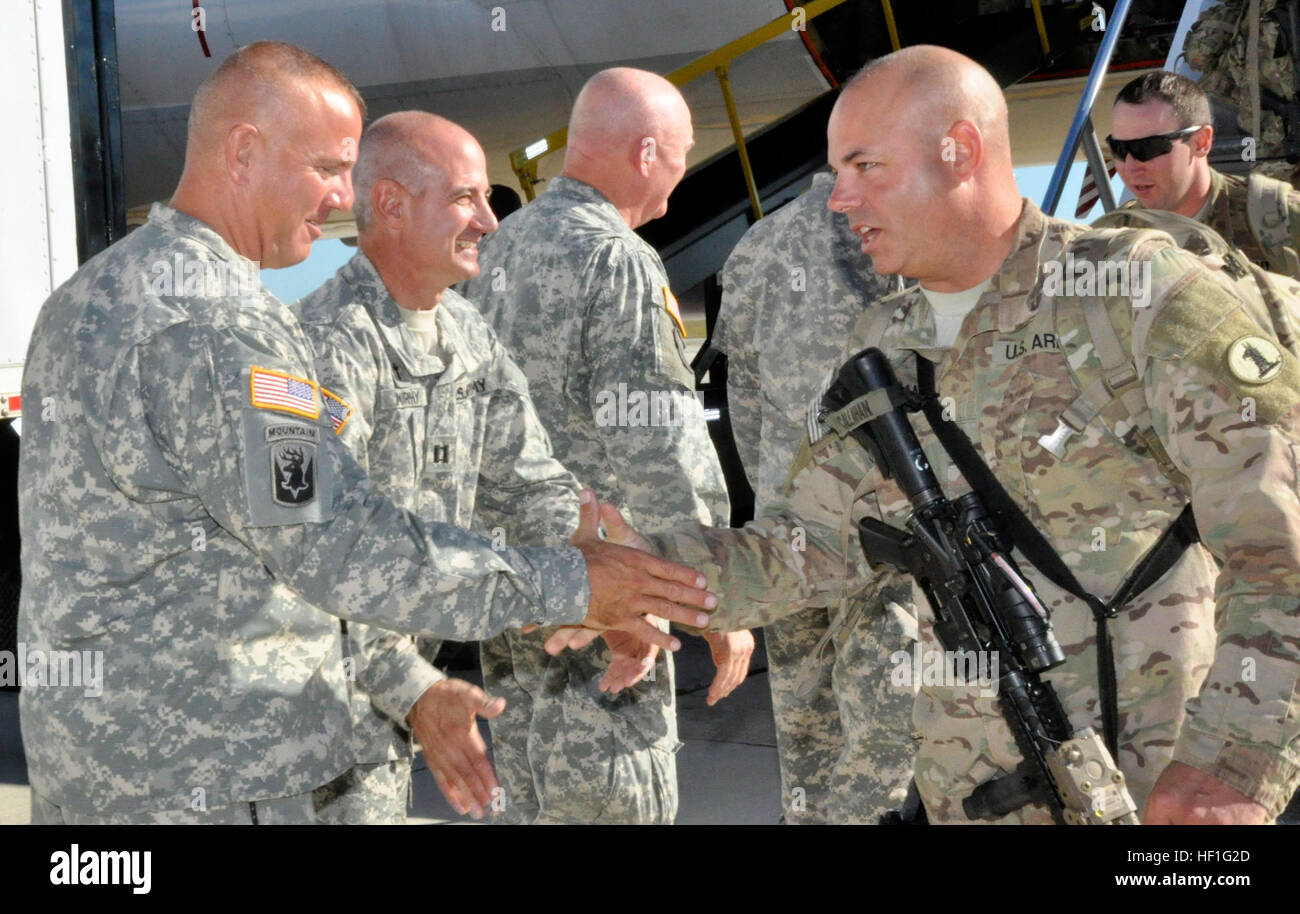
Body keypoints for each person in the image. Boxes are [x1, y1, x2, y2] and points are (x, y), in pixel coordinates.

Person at [579, 45, 1300, 824]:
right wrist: (631, 570)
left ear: (960, 150)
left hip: (1148, 790)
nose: (837, 200)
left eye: (865, 167)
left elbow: (1279, 547)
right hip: (971, 794)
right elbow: (809, 548)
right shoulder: (883, 344)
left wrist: (1235, 767)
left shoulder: (1139, 296)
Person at [18, 42, 715, 825]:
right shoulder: (218, 326)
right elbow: (338, 542)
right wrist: (576, 584)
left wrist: (419, 683)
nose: (337, 197)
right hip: (205, 775)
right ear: (244, 151)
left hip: (105, 774)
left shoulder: (92, 294)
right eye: (324, 169)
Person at [460, 67, 752, 824]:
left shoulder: (492, 252)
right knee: (613, 800)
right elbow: (659, 444)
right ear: (647, 151)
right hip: (603, 594)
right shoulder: (615, 257)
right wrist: (713, 596)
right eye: (682, 157)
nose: (681, 179)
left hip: (514, 592)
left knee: (532, 803)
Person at [300, 111, 600, 823]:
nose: (491, 223)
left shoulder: (465, 331)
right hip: (309, 714)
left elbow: (529, 481)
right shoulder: (326, 345)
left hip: (394, 700)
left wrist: (604, 579)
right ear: (392, 207)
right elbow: (320, 552)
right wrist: (414, 690)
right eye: (467, 198)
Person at [713, 173, 915, 823]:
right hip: (879, 523)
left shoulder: (755, 246)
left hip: (788, 526)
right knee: (882, 731)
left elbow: (741, 402)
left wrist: (775, 494)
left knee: (804, 725)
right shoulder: (897, 233)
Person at [1109, 71, 1300, 277]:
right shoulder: (1115, 241)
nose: (1130, 168)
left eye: (1147, 148)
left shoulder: (1282, 221)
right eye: (1118, 149)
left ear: (1201, 142)